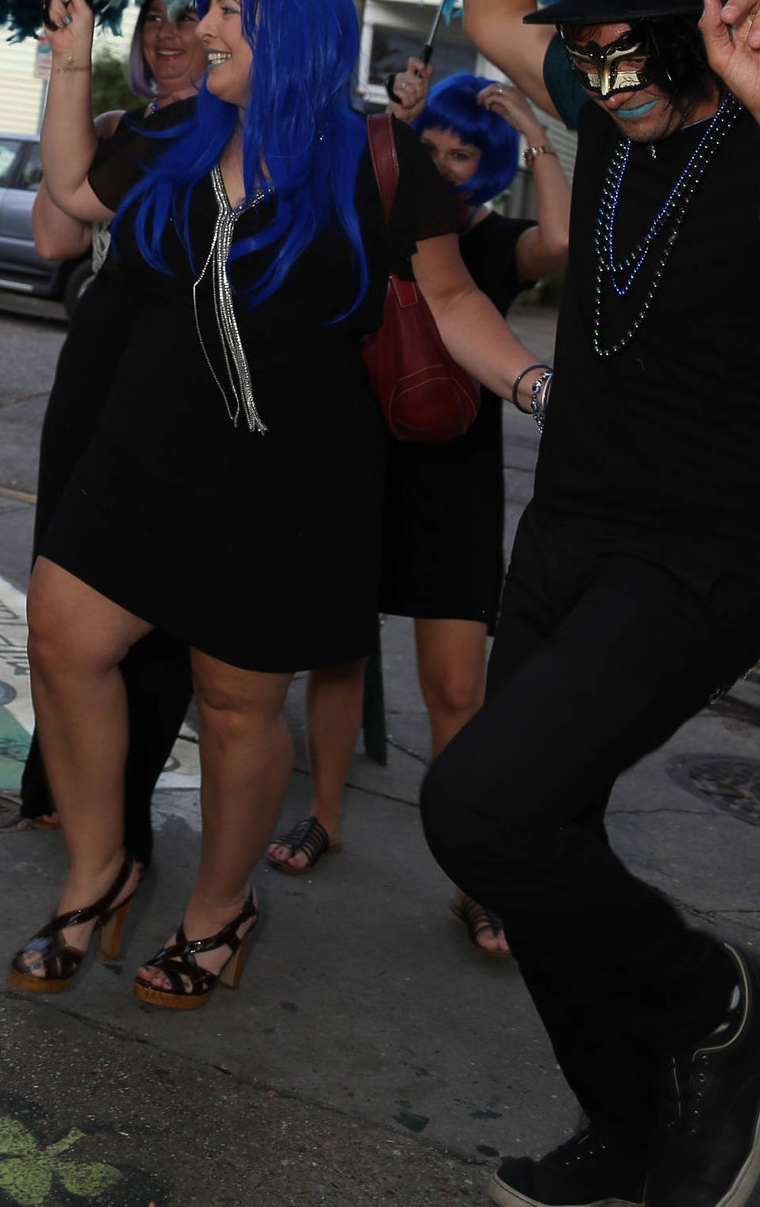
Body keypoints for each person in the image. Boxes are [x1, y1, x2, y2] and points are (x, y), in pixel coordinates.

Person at [421, 0, 760, 1207]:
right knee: (533, 844)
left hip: (706, 552)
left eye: (624, 40)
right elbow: (492, 11)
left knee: (476, 808)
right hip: (573, 529)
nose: (596, 64)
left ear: (688, 31)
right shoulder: (608, 120)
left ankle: (711, 999)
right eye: (585, 38)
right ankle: (634, 1124)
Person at [11, 0, 551, 1009]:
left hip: (290, 486)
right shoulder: (176, 131)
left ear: (290, 30)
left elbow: (448, 303)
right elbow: (75, 192)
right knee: (62, 639)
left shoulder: (376, 157)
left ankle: (218, 910)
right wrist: (71, 69)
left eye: (225, 11)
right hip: (140, 458)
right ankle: (97, 867)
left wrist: (539, 390)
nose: (203, 30)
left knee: (233, 704)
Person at [270, 67, 570, 962]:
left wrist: (537, 134)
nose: (442, 163)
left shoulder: (491, 246)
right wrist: (392, 143)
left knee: (456, 688)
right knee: (336, 657)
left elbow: (559, 239)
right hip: (359, 466)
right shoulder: (374, 222)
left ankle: (474, 879)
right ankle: (322, 816)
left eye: (462, 151)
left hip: (453, 489)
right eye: (431, 149)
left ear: (487, 165)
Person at [20, 0, 208, 856]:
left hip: (172, 380)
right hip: (93, 366)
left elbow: (81, 204)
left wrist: (70, 80)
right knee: (60, 568)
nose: (167, 36)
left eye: (186, 18)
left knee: (154, 598)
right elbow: (54, 241)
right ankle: (56, 782)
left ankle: (121, 811)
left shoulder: (220, 132)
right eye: (152, 19)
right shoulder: (118, 132)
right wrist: (72, 109)